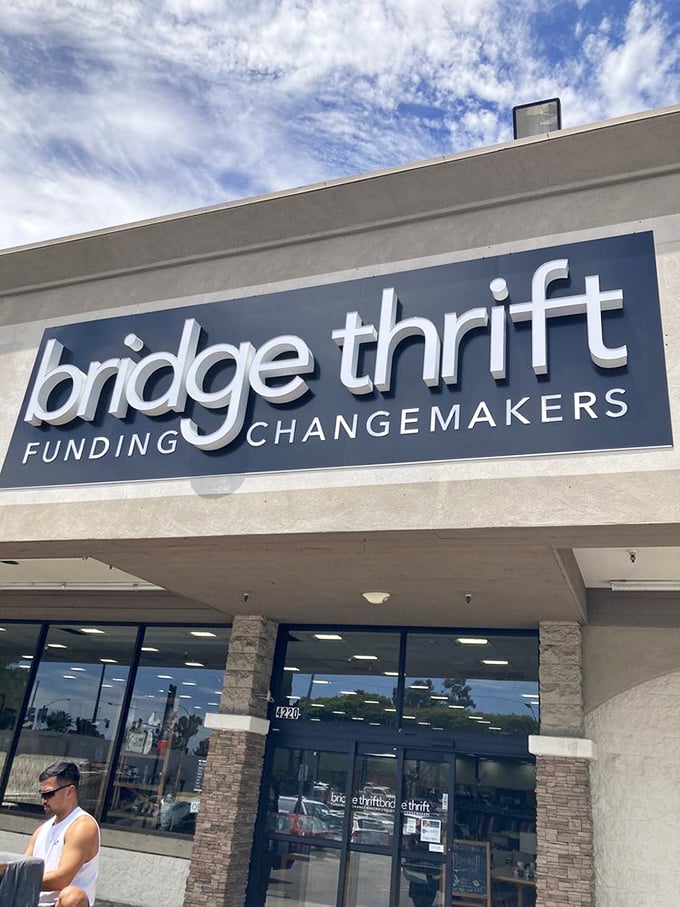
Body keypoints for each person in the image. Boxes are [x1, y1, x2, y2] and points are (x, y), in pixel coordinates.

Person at [25, 761, 100, 907]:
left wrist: (19, 880)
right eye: (42, 794)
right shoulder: (42, 830)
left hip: (59, 903)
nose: (44, 800)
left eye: (49, 793)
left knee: (72, 896)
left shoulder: (83, 825)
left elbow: (61, 879)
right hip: (31, 901)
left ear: (70, 791)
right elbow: (23, 867)